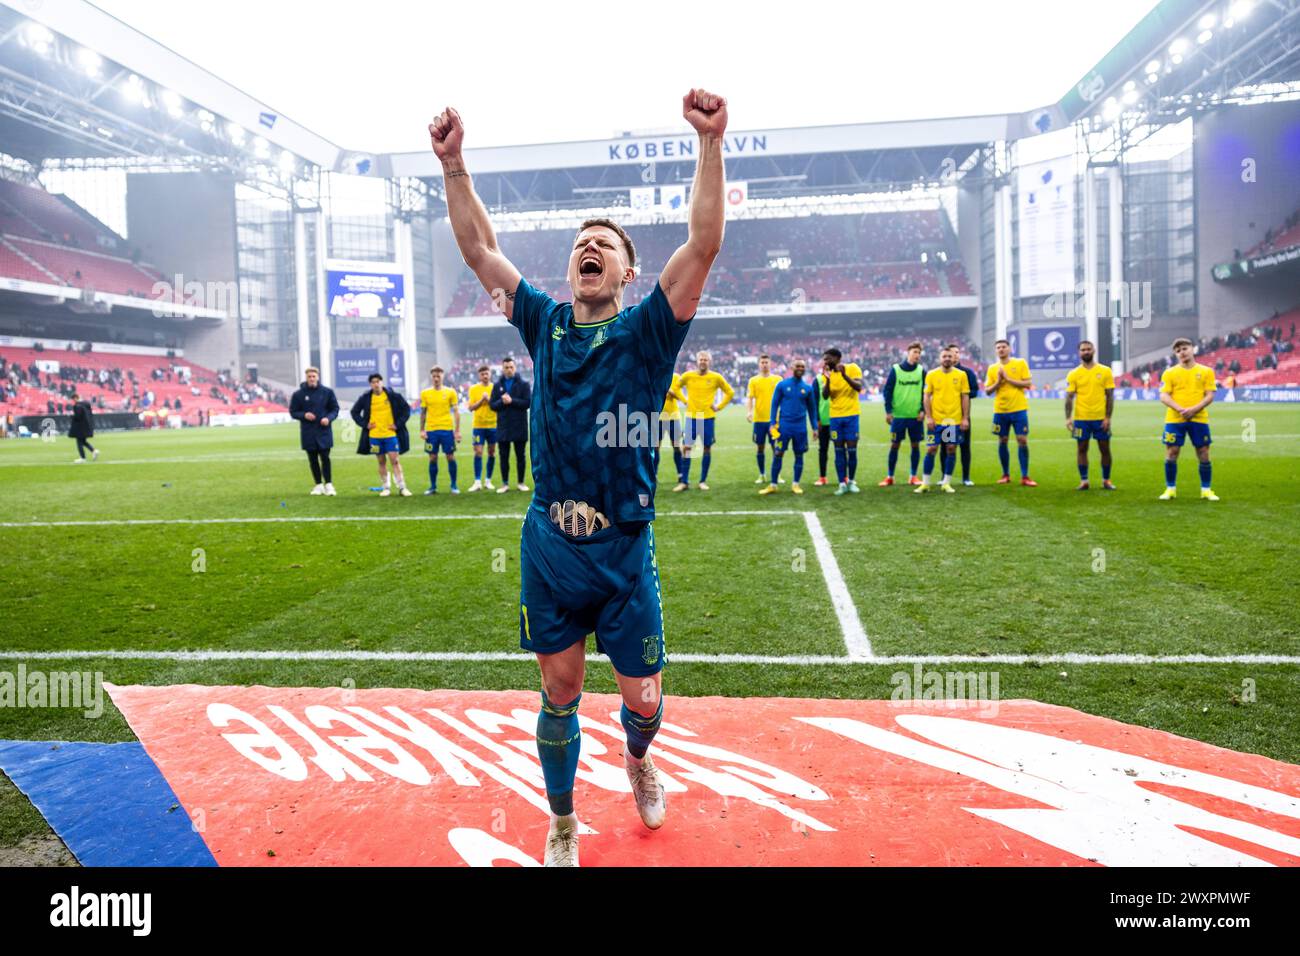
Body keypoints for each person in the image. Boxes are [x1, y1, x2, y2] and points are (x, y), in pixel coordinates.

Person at [432, 87, 726, 866]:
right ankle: (562, 820)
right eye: (578, 242)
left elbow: (702, 244)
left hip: (625, 551)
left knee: (644, 698)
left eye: (604, 242)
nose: (588, 247)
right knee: (560, 691)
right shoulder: (542, 323)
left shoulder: (649, 332)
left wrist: (710, 142)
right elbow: (478, 252)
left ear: (627, 270)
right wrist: (455, 163)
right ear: (572, 270)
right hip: (551, 546)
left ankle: (637, 759)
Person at [1158, 338, 1219, 501]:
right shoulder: (1169, 373)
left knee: (1203, 452)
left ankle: (1206, 490)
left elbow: (1210, 395)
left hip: (1199, 418)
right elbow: (1163, 395)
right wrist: (1180, 409)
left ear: (1192, 349)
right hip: (1174, 419)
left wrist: (1194, 409)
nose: (1182, 352)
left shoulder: (1206, 371)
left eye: (1184, 348)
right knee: (1172, 452)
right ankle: (1170, 489)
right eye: (1178, 351)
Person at [676, 350, 733, 491]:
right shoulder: (688, 376)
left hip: (708, 418)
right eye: (701, 359)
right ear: (697, 361)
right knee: (687, 448)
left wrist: (719, 407)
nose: (703, 362)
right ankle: (684, 482)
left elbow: (730, 392)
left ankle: (702, 481)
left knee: (707, 448)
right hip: (691, 418)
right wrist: (684, 400)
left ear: (710, 362)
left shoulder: (716, 377)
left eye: (706, 359)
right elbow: (676, 387)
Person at [759, 359, 818, 495]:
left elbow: (812, 410)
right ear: (792, 367)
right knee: (778, 453)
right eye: (797, 366)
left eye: (802, 366)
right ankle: (773, 485)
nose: (800, 368)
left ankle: (795, 484)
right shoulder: (782, 385)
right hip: (784, 426)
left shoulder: (808, 388)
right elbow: (774, 404)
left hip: (800, 428)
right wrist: (773, 423)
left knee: (799, 455)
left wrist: (814, 428)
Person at [916, 346, 969, 494]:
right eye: (944, 356)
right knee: (931, 449)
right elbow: (926, 396)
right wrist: (929, 416)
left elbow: (965, 397)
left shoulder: (961, 375)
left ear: (954, 359)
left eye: (949, 356)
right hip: (936, 420)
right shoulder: (932, 375)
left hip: (951, 421)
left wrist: (965, 418)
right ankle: (925, 483)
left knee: (950, 449)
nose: (947, 359)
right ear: (940, 358)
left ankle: (946, 483)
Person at [1064, 340, 1115, 491]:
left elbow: (1110, 396)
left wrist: (1107, 417)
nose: (1086, 352)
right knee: (1081, 448)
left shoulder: (1105, 371)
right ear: (1079, 353)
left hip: (1100, 418)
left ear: (1094, 350)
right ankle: (1084, 480)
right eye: (1083, 350)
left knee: (1105, 449)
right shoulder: (1074, 374)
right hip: (1081, 419)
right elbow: (1069, 397)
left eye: (1088, 349)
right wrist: (1068, 417)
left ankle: (1106, 480)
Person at [985, 338, 1036, 487]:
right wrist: (999, 382)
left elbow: (1027, 383)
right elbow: (988, 391)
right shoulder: (992, 368)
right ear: (996, 351)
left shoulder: (1020, 363)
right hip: (1000, 411)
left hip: (1019, 409)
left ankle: (1025, 476)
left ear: (1009, 349)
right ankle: (1005, 474)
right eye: (998, 347)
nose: (1001, 349)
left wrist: (1008, 378)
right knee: (1002, 440)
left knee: (1022, 440)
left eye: (1003, 347)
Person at [350, 372, 412, 497]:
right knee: (381, 462)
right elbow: (354, 412)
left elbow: (406, 409)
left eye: (378, 381)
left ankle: (402, 487)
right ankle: (386, 487)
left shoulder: (392, 395)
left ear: (382, 382)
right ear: (370, 384)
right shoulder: (366, 398)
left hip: (390, 434)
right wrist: (365, 424)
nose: (376, 384)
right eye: (373, 382)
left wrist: (397, 424)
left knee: (395, 460)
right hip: (374, 436)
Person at [289, 367, 339, 495]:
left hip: (324, 431)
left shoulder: (327, 392)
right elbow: (293, 412)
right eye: (309, 377)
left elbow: (335, 409)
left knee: (325, 458)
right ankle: (318, 485)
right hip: (308, 432)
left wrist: (328, 418)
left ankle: (329, 484)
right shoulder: (298, 394)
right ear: (306, 378)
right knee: (312, 460)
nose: (311, 379)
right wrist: (304, 415)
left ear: (318, 377)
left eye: (313, 376)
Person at [880, 341, 924, 486]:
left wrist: (923, 410)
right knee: (894, 445)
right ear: (908, 352)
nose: (917, 355)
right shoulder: (896, 369)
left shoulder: (922, 371)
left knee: (915, 446)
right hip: (898, 416)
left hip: (915, 417)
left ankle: (913, 476)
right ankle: (890, 476)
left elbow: (926, 393)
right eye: (914, 352)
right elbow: (887, 391)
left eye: (919, 352)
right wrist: (888, 411)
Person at [822, 347, 864, 495]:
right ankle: (841, 483)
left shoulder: (852, 368)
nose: (825, 362)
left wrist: (844, 375)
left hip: (851, 415)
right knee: (838, 451)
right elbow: (825, 396)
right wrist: (827, 380)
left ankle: (851, 482)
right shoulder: (827, 374)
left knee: (852, 451)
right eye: (824, 359)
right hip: (835, 417)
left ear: (837, 358)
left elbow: (858, 387)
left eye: (827, 359)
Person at [490, 356, 531, 493]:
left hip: (519, 425)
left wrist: (511, 400)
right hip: (503, 427)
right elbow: (492, 405)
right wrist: (502, 402)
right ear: (502, 369)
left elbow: (527, 403)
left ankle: (521, 482)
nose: (509, 370)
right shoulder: (497, 386)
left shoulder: (524, 384)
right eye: (506, 367)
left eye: (511, 367)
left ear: (515, 368)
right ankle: (505, 484)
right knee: (504, 456)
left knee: (521, 456)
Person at [419, 365, 461, 495]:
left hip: (447, 430)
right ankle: (433, 486)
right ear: (431, 377)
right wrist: (422, 430)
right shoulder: (425, 393)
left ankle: (454, 485)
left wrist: (457, 431)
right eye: (434, 376)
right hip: (431, 431)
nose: (436, 378)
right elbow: (423, 413)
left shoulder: (450, 392)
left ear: (443, 376)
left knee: (450, 456)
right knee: (432, 458)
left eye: (439, 376)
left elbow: (456, 412)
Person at [746, 354, 782, 485]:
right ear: (759, 364)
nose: (764, 364)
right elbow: (750, 398)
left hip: (774, 421)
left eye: (766, 362)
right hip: (759, 420)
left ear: (770, 363)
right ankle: (762, 474)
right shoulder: (753, 380)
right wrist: (749, 412)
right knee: (760, 448)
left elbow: (782, 397)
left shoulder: (778, 379)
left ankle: (777, 475)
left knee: (776, 448)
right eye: (762, 362)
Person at [950, 343, 980, 486]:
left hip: (963, 417)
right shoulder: (940, 373)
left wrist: (963, 394)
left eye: (956, 352)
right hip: (948, 418)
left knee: (964, 446)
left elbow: (975, 391)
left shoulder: (968, 373)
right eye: (951, 353)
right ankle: (945, 477)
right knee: (947, 447)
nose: (954, 355)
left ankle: (966, 478)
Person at [467, 365, 497, 492]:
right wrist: (481, 400)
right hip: (478, 426)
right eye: (482, 374)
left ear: (490, 374)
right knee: (478, 452)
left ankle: (488, 481)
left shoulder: (495, 388)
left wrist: (488, 399)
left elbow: (497, 406)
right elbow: (471, 408)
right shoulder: (473, 389)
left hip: (493, 425)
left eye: (487, 373)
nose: (485, 376)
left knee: (491, 452)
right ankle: (477, 481)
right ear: (479, 375)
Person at [655, 371, 686, 483]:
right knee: (655, 447)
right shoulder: (655, 375)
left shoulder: (676, 377)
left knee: (677, 446)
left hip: (674, 417)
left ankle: (680, 474)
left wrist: (671, 391)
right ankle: (654, 474)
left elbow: (680, 396)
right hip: (658, 417)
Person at [813, 365, 832, 486]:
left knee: (840, 450)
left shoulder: (839, 378)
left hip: (837, 420)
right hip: (823, 422)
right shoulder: (817, 380)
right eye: (826, 368)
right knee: (823, 450)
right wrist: (817, 420)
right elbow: (813, 402)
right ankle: (822, 477)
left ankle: (844, 477)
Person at [68, 392, 97, 463]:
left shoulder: (77, 406)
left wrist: (71, 416)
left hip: (80, 427)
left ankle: (82, 458)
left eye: (73, 399)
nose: (73, 401)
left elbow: (78, 417)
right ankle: (93, 451)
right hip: (87, 426)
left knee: (79, 442)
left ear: (75, 398)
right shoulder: (86, 404)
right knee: (83, 441)